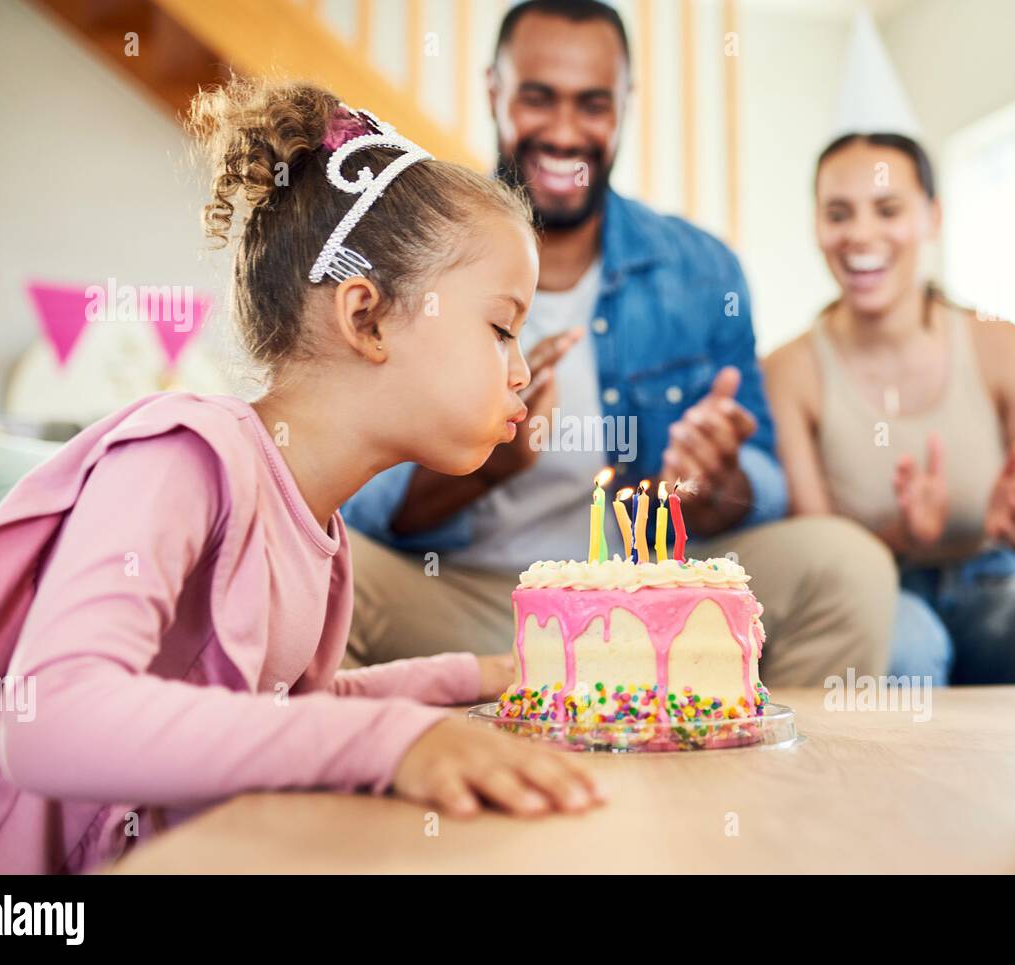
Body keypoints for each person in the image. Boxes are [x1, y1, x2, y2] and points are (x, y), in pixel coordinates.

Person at [0, 78, 607, 874]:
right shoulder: (181, 455)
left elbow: (286, 716)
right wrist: (393, 740)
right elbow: (52, 722)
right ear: (366, 317)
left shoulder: (318, 530)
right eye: (501, 327)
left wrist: (485, 675)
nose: (522, 371)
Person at [341, 0, 897, 686]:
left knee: (847, 565)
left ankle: (751, 781)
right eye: (539, 98)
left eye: (594, 104)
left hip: (647, 605)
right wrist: (485, 466)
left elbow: (769, 484)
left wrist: (716, 482)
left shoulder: (701, 270)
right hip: (468, 600)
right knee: (317, 566)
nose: (566, 132)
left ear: (626, 103)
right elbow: (358, 499)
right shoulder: (414, 257)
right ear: (494, 91)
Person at [763, 133, 1015, 684]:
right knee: (909, 654)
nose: (861, 234)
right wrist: (905, 537)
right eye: (838, 214)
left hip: (993, 577)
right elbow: (818, 549)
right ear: (816, 226)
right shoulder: (789, 371)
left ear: (932, 217)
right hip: (875, 591)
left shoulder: (1004, 347)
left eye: (888, 210)